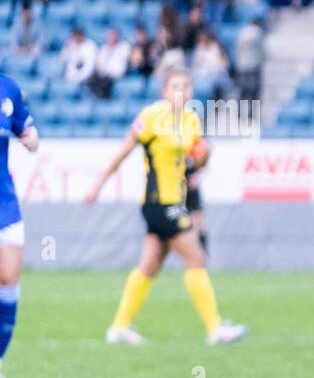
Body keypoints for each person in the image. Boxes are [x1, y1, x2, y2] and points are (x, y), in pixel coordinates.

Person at [83, 68, 247, 346]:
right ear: (164, 92)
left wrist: (205, 155)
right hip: (159, 203)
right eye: (174, 86)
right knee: (196, 258)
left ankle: (119, 327)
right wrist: (98, 185)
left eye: (186, 86)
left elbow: (195, 164)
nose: (180, 92)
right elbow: (123, 152)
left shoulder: (191, 121)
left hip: (176, 201)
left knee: (149, 265)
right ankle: (215, 327)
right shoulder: (151, 118)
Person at [0, 73, 39, 378]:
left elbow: (28, 131)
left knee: (9, 283)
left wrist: (30, 138)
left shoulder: (9, 87)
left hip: (5, 204)